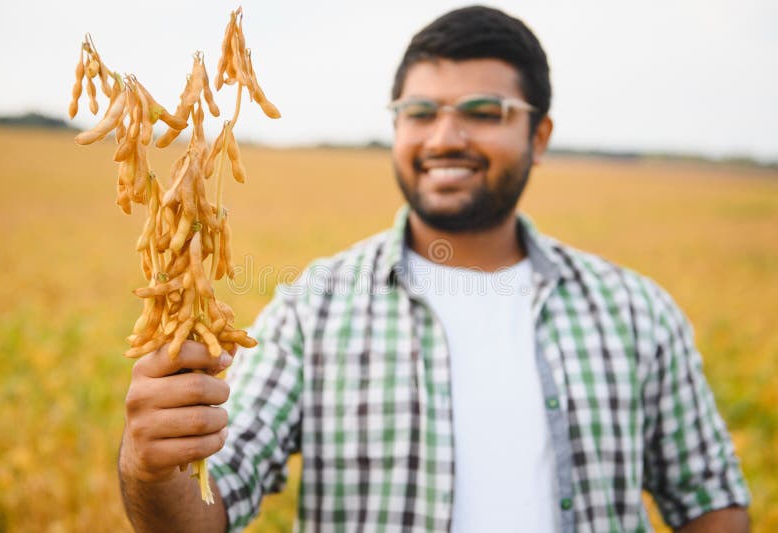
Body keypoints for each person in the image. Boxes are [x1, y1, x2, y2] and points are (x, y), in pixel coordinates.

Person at [118, 6, 751, 532]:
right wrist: (151, 469)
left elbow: (712, 502)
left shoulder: (637, 313)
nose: (445, 137)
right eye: (418, 112)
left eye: (484, 111)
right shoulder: (313, 310)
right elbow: (205, 510)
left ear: (540, 135)